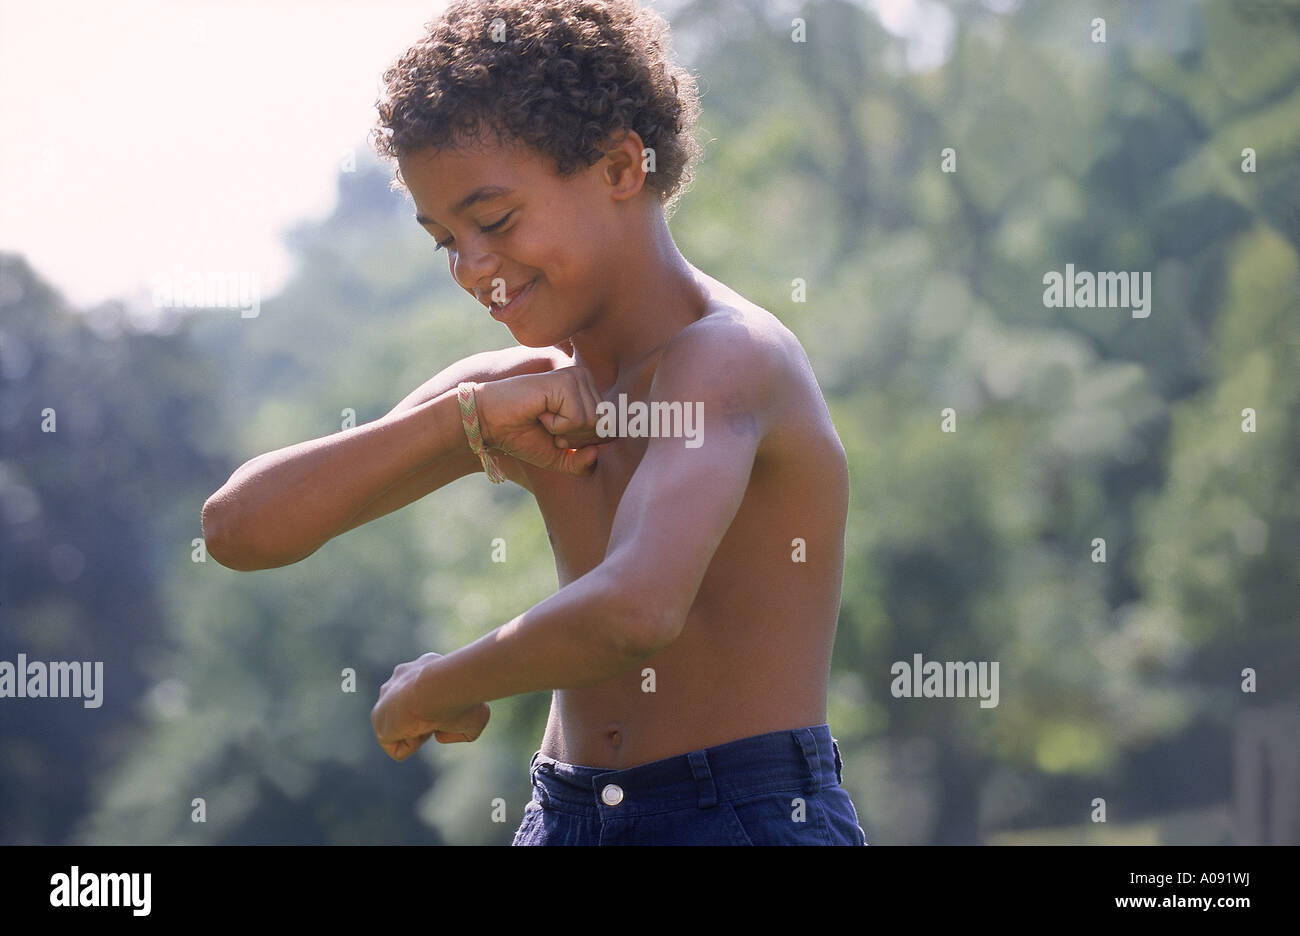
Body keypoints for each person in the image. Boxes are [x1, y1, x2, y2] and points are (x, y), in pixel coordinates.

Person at [202, 0, 866, 846]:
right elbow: (237, 530)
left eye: (494, 220)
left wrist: (437, 686)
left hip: (742, 815)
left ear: (622, 167)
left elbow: (636, 610)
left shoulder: (728, 357)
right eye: (443, 238)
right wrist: (458, 426)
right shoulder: (517, 393)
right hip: (562, 815)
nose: (472, 268)